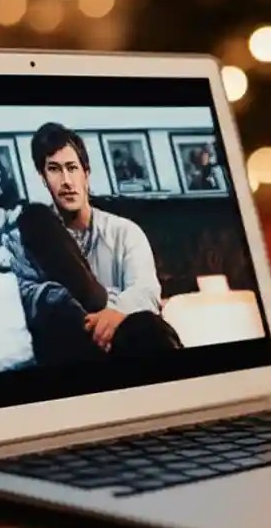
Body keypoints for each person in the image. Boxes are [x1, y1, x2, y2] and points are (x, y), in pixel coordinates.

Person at [18, 122, 180, 361]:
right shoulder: (32, 236)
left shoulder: (124, 231)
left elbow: (145, 290)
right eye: (54, 169)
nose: (66, 181)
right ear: (42, 177)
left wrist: (113, 313)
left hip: (127, 343)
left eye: (72, 168)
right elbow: (33, 299)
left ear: (86, 174)